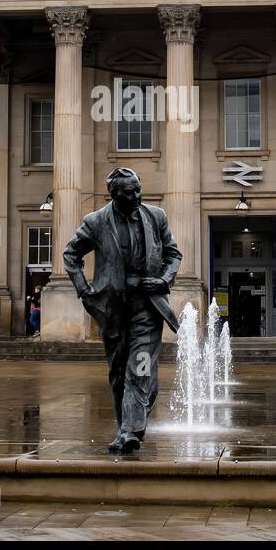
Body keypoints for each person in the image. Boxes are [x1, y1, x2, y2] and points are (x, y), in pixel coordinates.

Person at [63, 166, 182, 453]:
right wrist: (84, 289)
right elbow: (71, 254)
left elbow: (173, 254)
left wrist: (164, 279)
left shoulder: (156, 216)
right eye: (131, 192)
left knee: (139, 367)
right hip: (113, 308)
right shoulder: (96, 222)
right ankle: (124, 429)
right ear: (114, 194)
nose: (138, 195)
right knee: (119, 373)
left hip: (147, 305)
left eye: (139, 189)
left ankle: (131, 429)